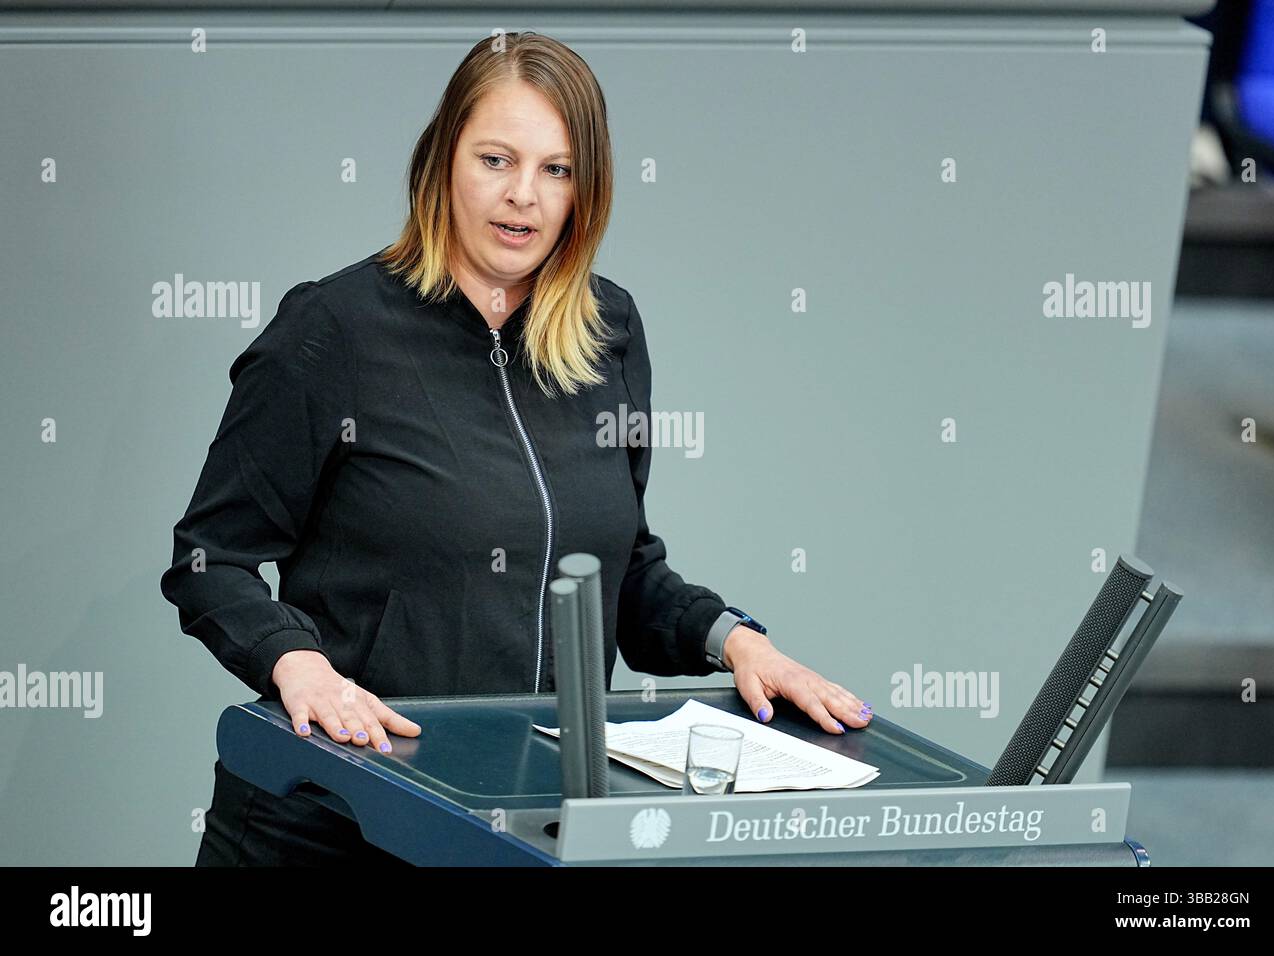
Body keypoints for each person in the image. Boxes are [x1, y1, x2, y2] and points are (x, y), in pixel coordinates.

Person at [161, 31, 873, 867]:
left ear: (586, 189)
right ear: (442, 162)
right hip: (332, 821)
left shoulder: (608, 332)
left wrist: (740, 644)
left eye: (556, 169)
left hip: (521, 828)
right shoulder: (333, 330)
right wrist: (297, 664)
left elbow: (617, 571)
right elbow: (210, 559)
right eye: (496, 159)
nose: (523, 197)